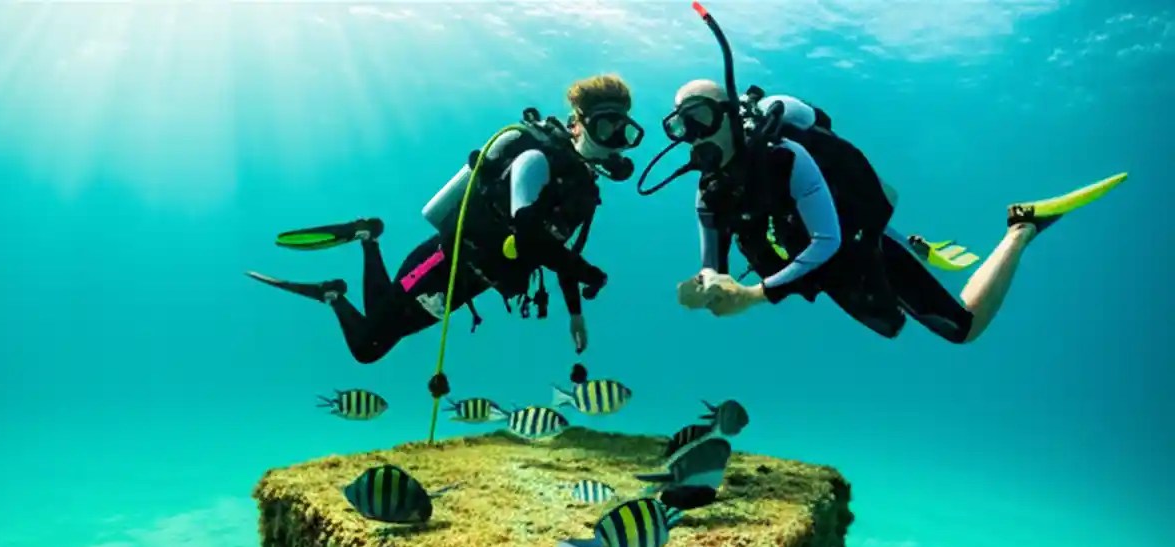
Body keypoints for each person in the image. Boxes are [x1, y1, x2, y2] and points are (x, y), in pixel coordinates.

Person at [640, 77, 1127, 344]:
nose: (694, 136)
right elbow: (714, 266)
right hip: (815, 251)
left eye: (700, 118)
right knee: (880, 308)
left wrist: (755, 295)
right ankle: (906, 236)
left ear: (729, 115)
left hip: (846, 238)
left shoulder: (786, 155)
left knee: (961, 330)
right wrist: (707, 289)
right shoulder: (709, 190)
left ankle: (1021, 227)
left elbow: (827, 242)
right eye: (680, 127)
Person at [246, 73, 644, 364]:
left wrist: (575, 312)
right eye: (604, 126)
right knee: (370, 347)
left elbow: (556, 250)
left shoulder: (581, 188)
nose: (613, 140)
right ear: (576, 123)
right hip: (442, 262)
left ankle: (367, 239)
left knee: (382, 325)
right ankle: (340, 283)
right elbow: (528, 238)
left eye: (622, 130)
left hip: (469, 283)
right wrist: (593, 275)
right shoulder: (536, 160)